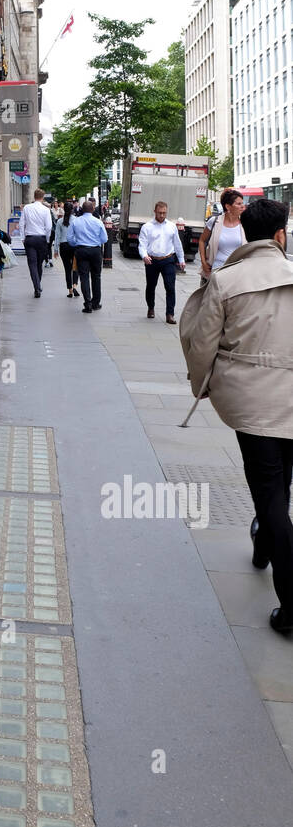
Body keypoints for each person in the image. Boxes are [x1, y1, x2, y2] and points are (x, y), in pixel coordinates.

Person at [180, 199, 293, 634]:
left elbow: (202, 341)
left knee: (269, 488)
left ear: (245, 234)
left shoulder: (227, 280)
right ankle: (264, 539)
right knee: (280, 482)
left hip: (250, 401)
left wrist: (201, 383)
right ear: (281, 235)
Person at [139, 201, 185, 323]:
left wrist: (181, 259)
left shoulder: (171, 226)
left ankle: (170, 314)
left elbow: (177, 244)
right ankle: (151, 308)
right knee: (150, 286)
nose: (162, 215)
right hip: (152, 261)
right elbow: (142, 245)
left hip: (168, 260)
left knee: (170, 287)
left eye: (164, 213)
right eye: (160, 213)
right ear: (155, 212)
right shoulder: (147, 227)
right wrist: (144, 256)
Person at [67, 200, 108, 312]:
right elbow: (105, 239)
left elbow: (69, 238)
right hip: (95, 251)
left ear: (81, 210)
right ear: (93, 209)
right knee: (96, 276)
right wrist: (95, 242)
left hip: (81, 250)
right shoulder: (98, 222)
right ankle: (96, 303)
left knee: (84, 277)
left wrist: (78, 243)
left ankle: (88, 303)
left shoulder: (75, 222)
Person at [198, 188, 245, 281]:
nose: (242, 206)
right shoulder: (214, 221)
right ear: (228, 206)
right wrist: (203, 262)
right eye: (239, 204)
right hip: (216, 272)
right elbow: (202, 241)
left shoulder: (245, 224)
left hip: (237, 274)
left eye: (242, 203)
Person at [19, 189, 53, 298]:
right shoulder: (46, 210)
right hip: (41, 238)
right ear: (43, 198)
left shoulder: (27, 208)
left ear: (34, 197)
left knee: (32, 264)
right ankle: (38, 285)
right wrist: (47, 239)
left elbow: (21, 224)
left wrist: (22, 237)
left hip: (30, 238)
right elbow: (49, 227)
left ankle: (37, 286)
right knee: (39, 264)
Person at [53, 199, 79, 298]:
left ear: (63, 209)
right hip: (74, 245)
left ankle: (70, 291)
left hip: (64, 246)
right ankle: (75, 285)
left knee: (67, 269)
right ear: (72, 209)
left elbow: (57, 237)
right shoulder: (76, 220)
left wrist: (55, 250)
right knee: (75, 266)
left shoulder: (59, 221)